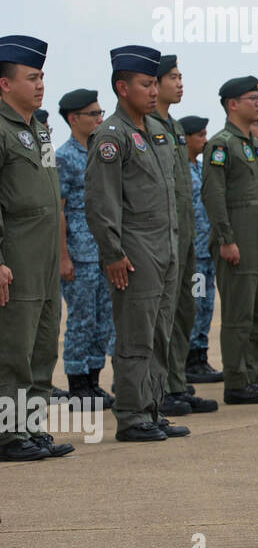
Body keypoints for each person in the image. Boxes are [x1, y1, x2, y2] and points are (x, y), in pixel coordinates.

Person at [84, 45, 189, 442]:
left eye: (152, 84)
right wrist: (112, 253)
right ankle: (131, 415)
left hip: (167, 248)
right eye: (145, 84)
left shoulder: (157, 131)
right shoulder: (112, 137)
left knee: (161, 333)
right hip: (135, 250)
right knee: (135, 335)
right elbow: (100, 202)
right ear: (121, 87)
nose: (152, 91)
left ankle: (153, 409)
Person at [0, 36, 73, 461]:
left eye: (42, 75)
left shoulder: (39, 129)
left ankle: (30, 426)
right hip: (17, 254)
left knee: (43, 343)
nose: (40, 84)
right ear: (5, 85)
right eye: (31, 77)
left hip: (44, 255)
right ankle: (8, 436)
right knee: (14, 348)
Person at [202, 77, 258, 404]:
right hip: (236, 241)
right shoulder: (221, 145)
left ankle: (252, 373)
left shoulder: (251, 144)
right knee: (238, 314)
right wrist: (226, 238)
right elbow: (213, 194)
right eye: (252, 98)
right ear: (232, 104)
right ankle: (237, 381)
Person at [151, 55, 218, 415]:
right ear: (155, 83)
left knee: (183, 312)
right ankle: (160, 389)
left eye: (180, 77)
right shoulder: (145, 126)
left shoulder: (174, 127)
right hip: (162, 239)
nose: (180, 83)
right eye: (172, 77)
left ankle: (176, 382)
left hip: (186, 239)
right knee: (161, 318)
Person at [55, 88, 116, 408]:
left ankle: (94, 380)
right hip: (79, 253)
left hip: (104, 251)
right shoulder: (63, 157)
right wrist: (64, 256)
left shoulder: (102, 151)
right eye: (93, 114)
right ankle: (78, 383)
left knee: (103, 319)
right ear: (73, 118)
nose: (99, 119)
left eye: (100, 112)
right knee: (82, 320)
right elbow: (58, 210)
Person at [180, 115, 222, 383]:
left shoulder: (197, 166)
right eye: (200, 136)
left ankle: (200, 356)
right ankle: (188, 359)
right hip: (192, 250)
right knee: (193, 306)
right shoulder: (181, 167)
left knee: (205, 306)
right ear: (185, 139)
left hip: (206, 250)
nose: (205, 141)